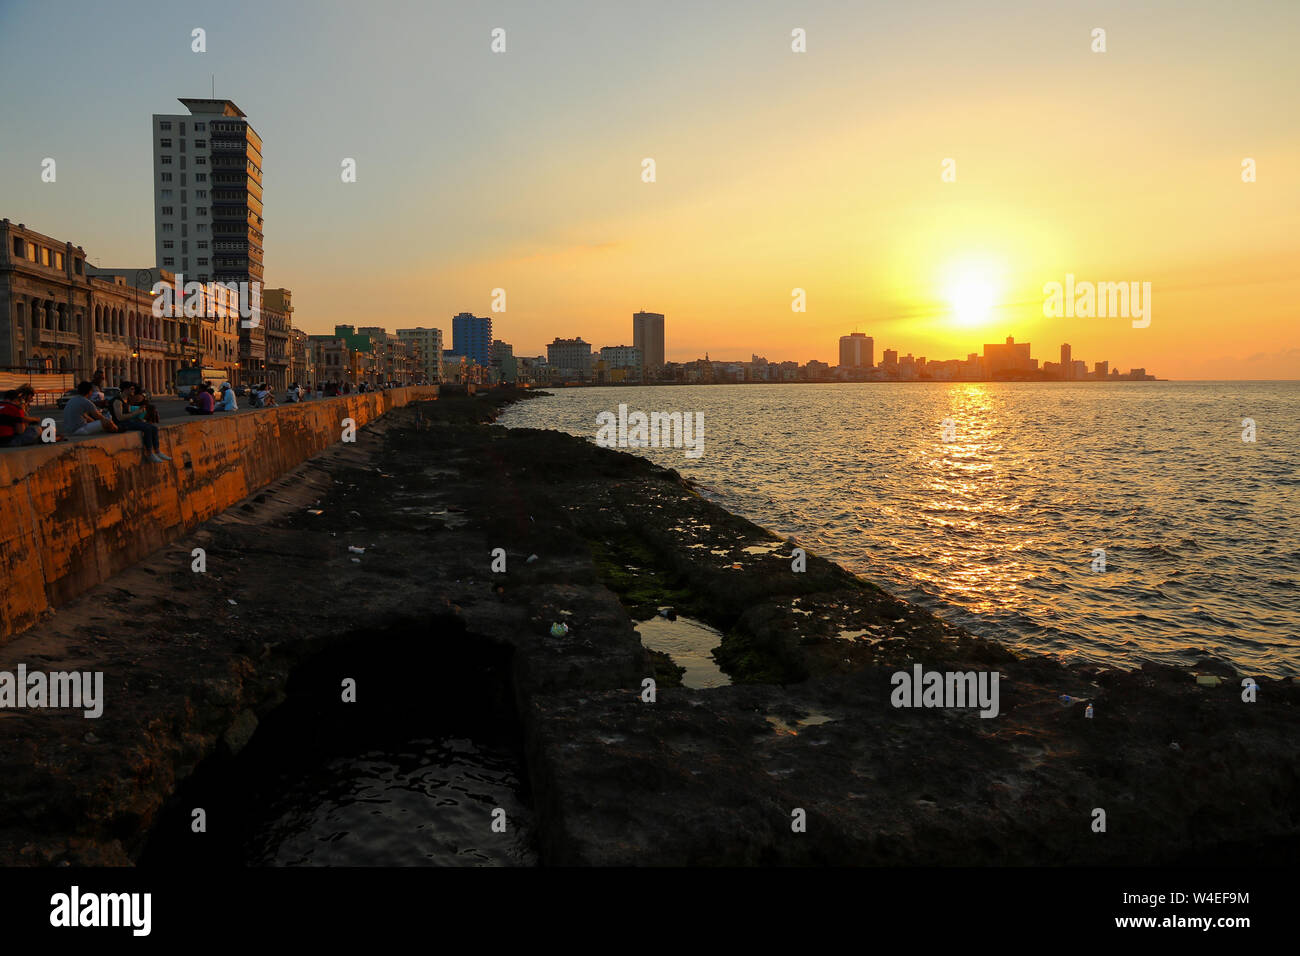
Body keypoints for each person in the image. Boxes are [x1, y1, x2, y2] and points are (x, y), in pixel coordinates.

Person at [112, 383, 170, 462]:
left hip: (129, 421)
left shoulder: (127, 399)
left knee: (154, 428)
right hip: (121, 424)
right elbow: (120, 417)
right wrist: (137, 412)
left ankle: (157, 451)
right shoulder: (117, 401)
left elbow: (129, 413)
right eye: (132, 389)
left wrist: (139, 418)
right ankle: (149, 453)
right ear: (125, 389)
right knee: (147, 428)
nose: (134, 391)